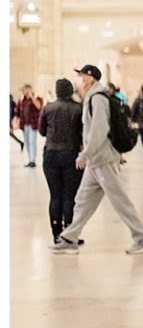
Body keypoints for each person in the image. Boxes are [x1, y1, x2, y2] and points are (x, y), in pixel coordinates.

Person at [51, 64, 143, 255]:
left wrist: (85, 154)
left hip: (103, 159)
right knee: (83, 201)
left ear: (91, 78)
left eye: (82, 76)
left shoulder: (97, 98)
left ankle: (142, 237)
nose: (79, 79)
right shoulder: (91, 97)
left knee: (120, 201)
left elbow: (99, 131)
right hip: (96, 161)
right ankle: (70, 238)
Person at [39, 78, 85, 242]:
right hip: (71, 154)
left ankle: (56, 233)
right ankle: (69, 234)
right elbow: (83, 132)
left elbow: (42, 131)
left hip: (50, 155)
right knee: (69, 196)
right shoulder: (78, 108)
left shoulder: (48, 108)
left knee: (55, 196)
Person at [16, 85, 42, 166]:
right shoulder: (22, 100)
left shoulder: (37, 98)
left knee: (32, 142)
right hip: (24, 125)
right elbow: (18, 112)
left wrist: (32, 97)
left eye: (26, 90)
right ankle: (30, 159)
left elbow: (39, 107)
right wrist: (16, 122)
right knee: (27, 142)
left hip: (33, 125)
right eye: (24, 90)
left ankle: (32, 160)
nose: (24, 92)